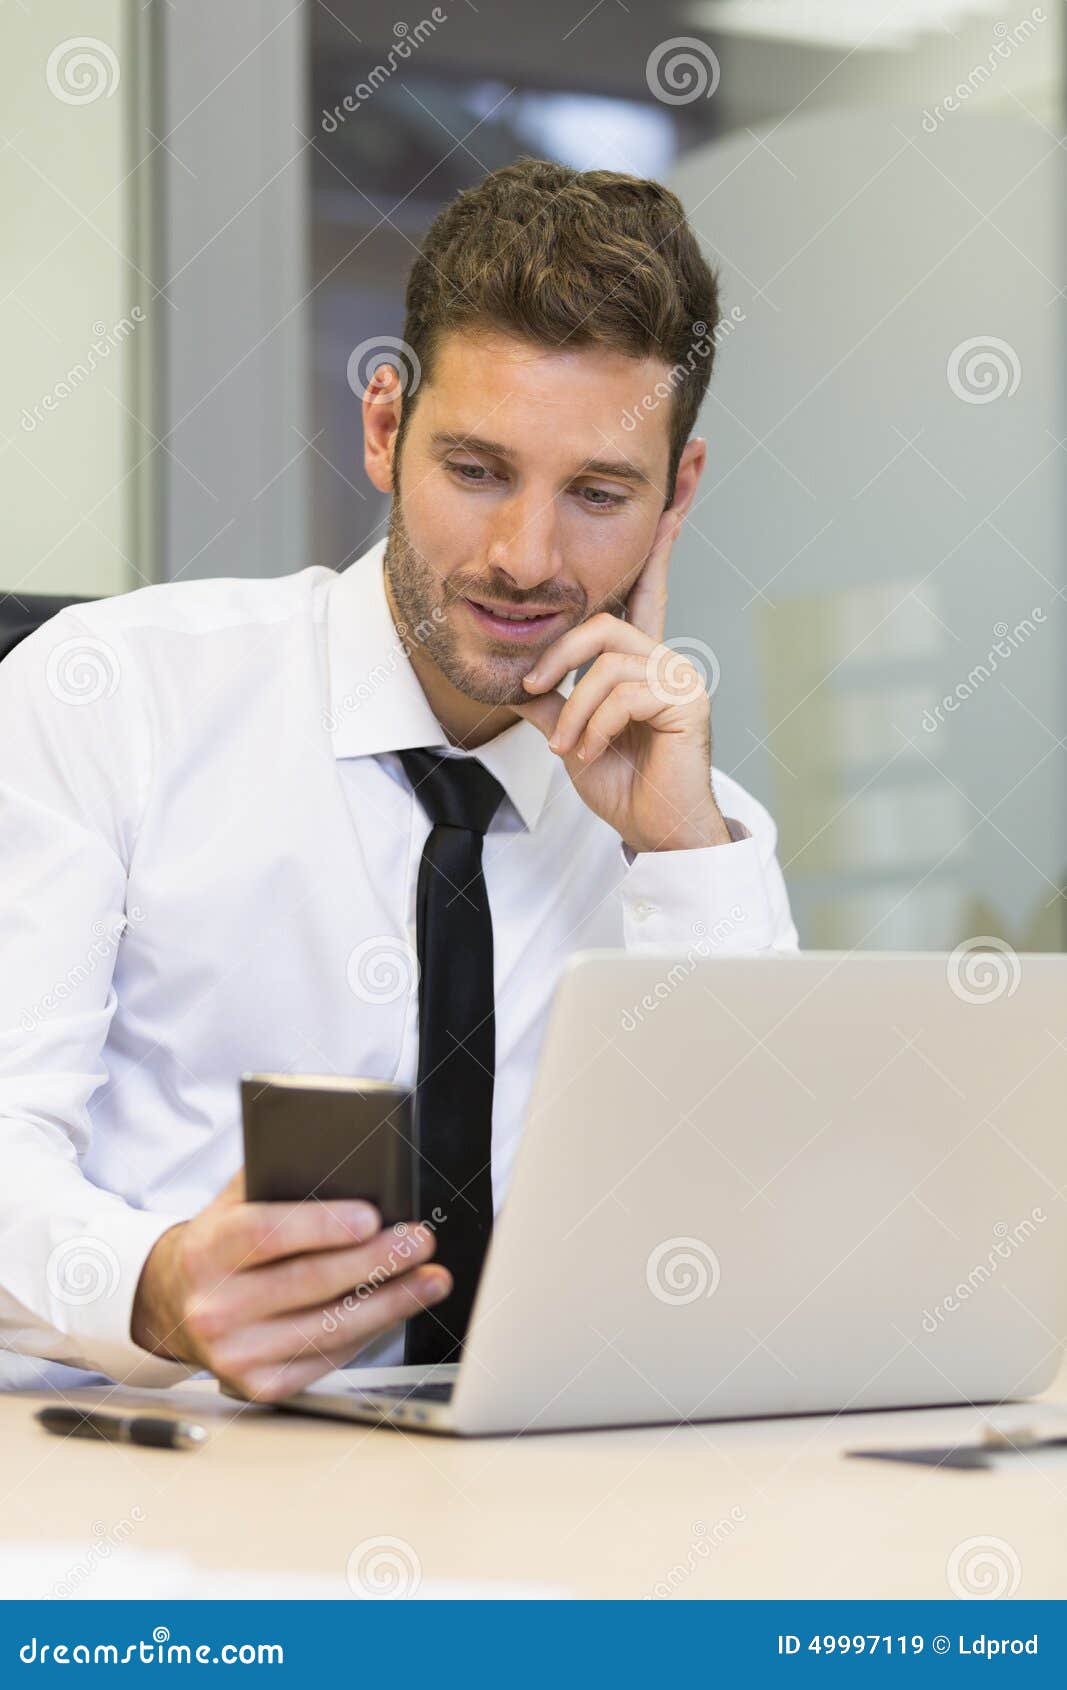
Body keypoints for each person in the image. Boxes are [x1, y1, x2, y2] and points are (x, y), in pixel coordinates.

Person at [0, 158, 798, 1401]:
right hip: (160, 1482)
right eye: (476, 470)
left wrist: (682, 862)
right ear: (383, 426)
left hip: (547, 1513)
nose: (523, 558)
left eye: (596, 494)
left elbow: (774, 1265)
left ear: (674, 496)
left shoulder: (696, 828)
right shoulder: (108, 698)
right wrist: (150, 1284)